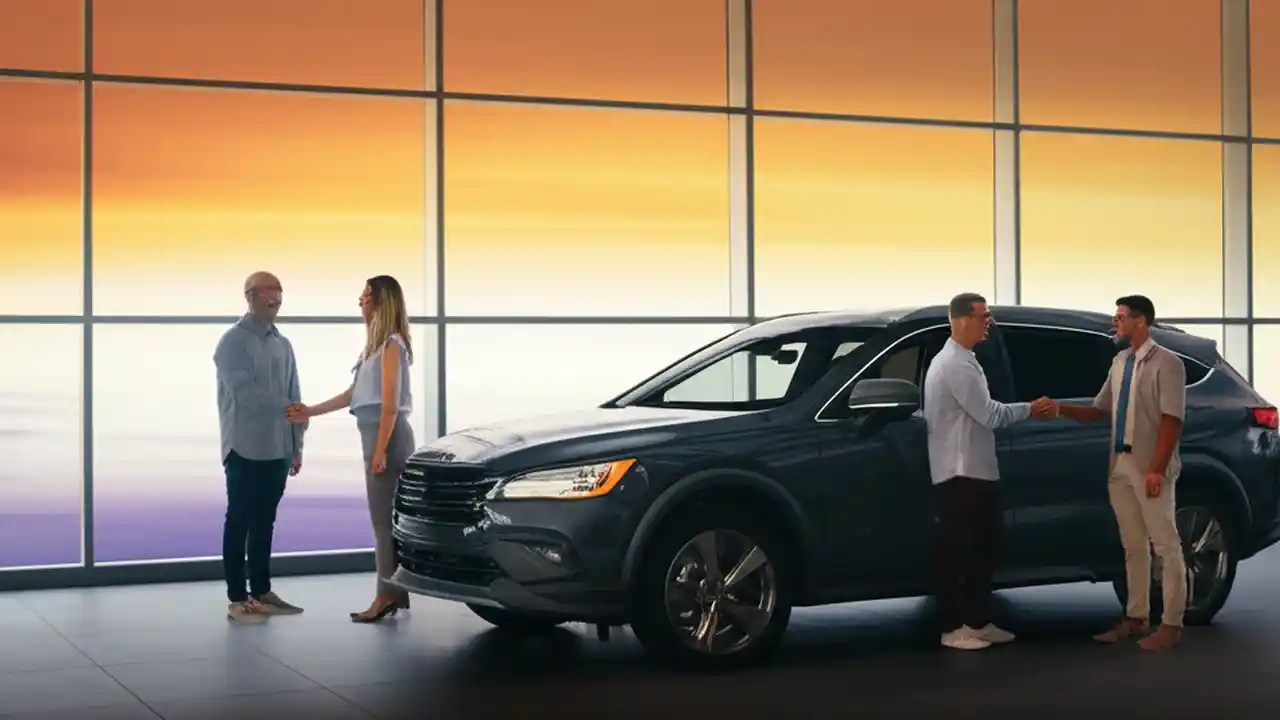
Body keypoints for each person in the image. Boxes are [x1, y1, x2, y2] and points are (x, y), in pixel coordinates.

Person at [1055, 295, 1187, 650]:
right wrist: (1059, 409)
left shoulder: (1168, 364)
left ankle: (1171, 624)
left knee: (1165, 544)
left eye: (1121, 317)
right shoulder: (1120, 362)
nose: (1115, 322)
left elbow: (1172, 419)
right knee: (1132, 546)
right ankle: (1136, 617)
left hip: (1148, 467)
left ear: (1141, 322)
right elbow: (1100, 410)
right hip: (1119, 465)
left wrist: (1157, 470)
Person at [924, 292, 1055, 651]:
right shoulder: (955, 365)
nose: (988, 323)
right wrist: (1032, 409)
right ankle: (953, 628)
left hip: (977, 471)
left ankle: (978, 621)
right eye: (984, 316)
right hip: (960, 472)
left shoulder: (965, 360)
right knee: (959, 553)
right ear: (963, 319)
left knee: (986, 547)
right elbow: (990, 415)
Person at [287, 275, 415, 623]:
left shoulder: (392, 345)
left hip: (386, 437)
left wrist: (380, 450)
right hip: (375, 435)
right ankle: (393, 593)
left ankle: (385, 595)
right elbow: (352, 395)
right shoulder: (372, 350)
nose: (361, 300)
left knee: (382, 523)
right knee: (385, 521)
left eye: (367, 294)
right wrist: (310, 410)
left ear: (381, 301)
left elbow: (389, 406)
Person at [214, 271, 307, 623]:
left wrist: (296, 446)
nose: (277, 300)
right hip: (243, 447)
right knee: (239, 521)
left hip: (278, 450)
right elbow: (245, 394)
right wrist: (288, 408)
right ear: (250, 296)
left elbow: (296, 395)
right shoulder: (232, 342)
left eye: (280, 294)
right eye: (270, 294)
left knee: (265, 522)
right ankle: (238, 598)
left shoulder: (283, 344)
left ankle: (262, 591)